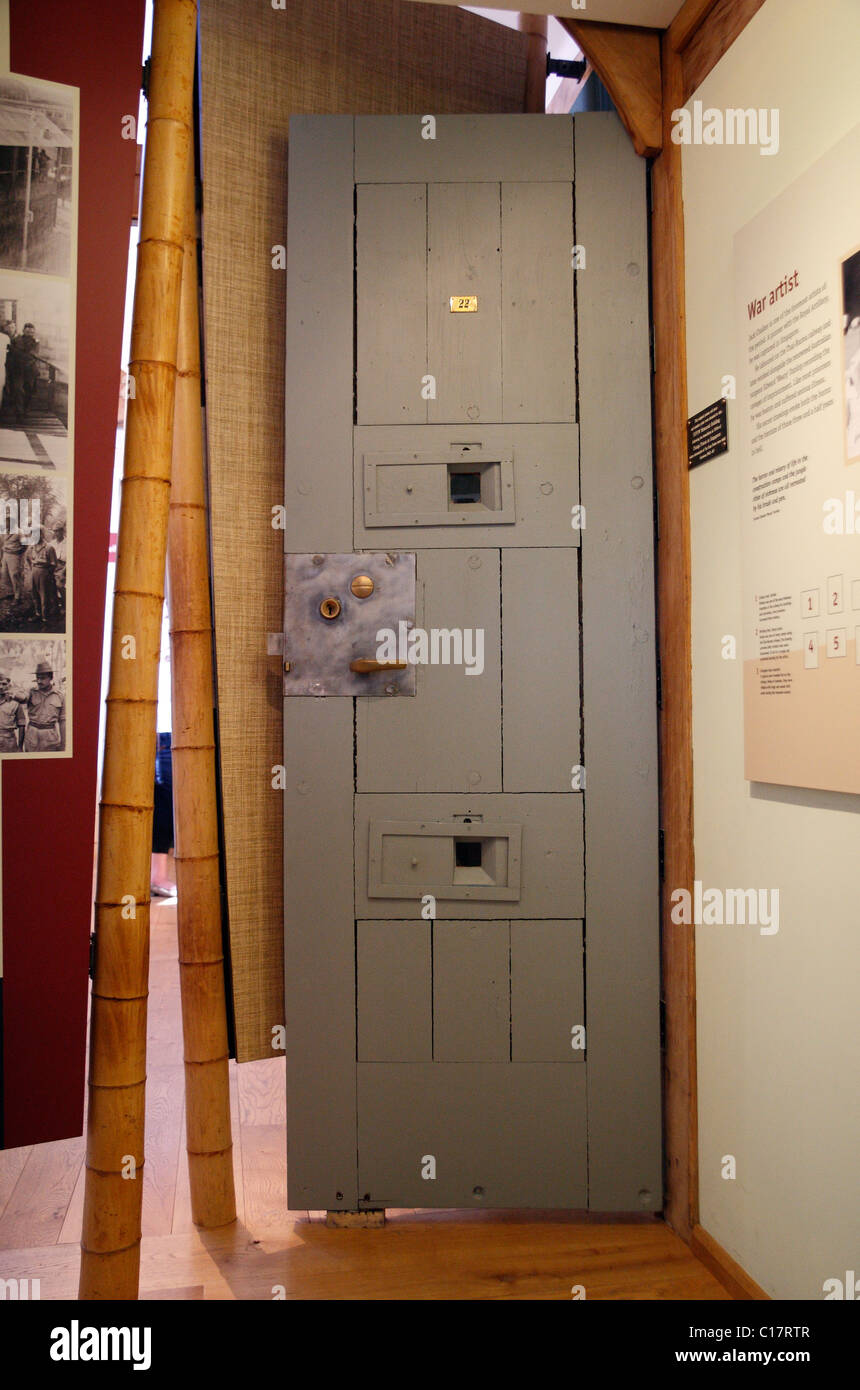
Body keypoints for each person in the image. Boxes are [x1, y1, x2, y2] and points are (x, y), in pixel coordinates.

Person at [24, 659, 65, 751]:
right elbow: (23, 697)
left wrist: (63, 744)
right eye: (37, 678)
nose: (39, 681)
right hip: (32, 734)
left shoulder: (60, 696)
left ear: (51, 678)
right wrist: (14, 696)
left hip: (50, 736)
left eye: (42, 678)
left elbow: (63, 721)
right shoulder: (31, 692)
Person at [6, 321, 40, 424]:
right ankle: (19, 414)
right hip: (18, 370)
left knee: (29, 390)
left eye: (31, 330)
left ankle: (24, 410)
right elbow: (11, 354)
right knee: (18, 390)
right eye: (27, 330)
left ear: (34, 332)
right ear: (23, 330)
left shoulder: (36, 342)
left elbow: (32, 355)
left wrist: (17, 351)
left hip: (30, 370)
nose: (29, 332)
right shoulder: (17, 340)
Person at [25, 525, 58, 625]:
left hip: (44, 574)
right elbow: (28, 559)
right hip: (34, 572)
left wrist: (48, 574)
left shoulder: (49, 547)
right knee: (34, 593)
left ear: (41, 534)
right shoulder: (31, 547)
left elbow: (53, 564)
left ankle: (45, 617)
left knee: (44, 595)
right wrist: (33, 568)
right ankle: (37, 613)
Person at [0, 525, 27, 602]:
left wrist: (19, 553)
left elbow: (25, 544)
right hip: (5, 554)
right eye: (6, 521)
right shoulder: (5, 531)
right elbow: (3, 544)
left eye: (8, 521)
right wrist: (1, 557)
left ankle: (18, 596)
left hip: (14, 555)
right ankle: (10, 592)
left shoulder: (19, 532)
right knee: (5, 574)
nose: (7, 523)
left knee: (14, 575)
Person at [0, 670, 25, 752]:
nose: (1, 687)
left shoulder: (15, 703)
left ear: (8, 685)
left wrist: (20, 747)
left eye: (4, 684)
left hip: (9, 742)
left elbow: (22, 725)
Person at [52, 522, 67, 619]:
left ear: (62, 531)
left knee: (60, 585)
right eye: (55, 531)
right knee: (50, 586)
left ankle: (65, 606)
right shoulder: (52, 543)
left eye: (58, 531)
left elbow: (70, 560)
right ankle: (55, 606)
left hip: (63, 567)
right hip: (53, 567)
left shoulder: (68, 542)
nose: (56, 533)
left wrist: (63, 571)